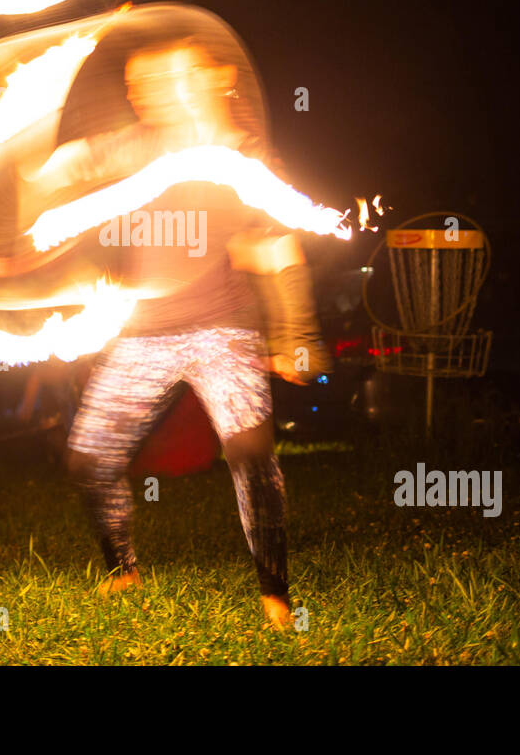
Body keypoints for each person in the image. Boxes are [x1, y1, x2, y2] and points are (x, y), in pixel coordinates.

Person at [60, 41, 330, 631]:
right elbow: (74, 163)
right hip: (144, 333)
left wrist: (296, 332)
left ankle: (276, 594)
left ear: (207, 79)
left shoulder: (242, 156)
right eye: (134, 83)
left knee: (250, 453)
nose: (140, 92)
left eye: (156, 78)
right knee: (89, 459)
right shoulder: (137, 147)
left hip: (222, 330)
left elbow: (273, 245)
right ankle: (122, 569)